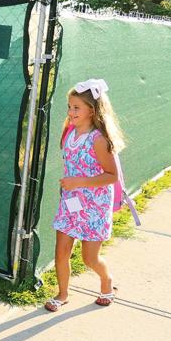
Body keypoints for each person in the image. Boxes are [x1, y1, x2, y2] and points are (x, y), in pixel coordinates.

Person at [46, 79, 123, 312]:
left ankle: (106, 280)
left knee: (89, 258)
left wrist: (78, 182)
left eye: (77, 107)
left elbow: (112, 176)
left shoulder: (99, 140)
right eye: (69, 107)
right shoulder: (69, 133)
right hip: (71, 203)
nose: (71, 112)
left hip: (94, 207)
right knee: (61, 252)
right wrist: (71, 185)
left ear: (92, 109)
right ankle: (62, 294)